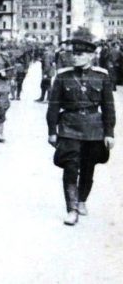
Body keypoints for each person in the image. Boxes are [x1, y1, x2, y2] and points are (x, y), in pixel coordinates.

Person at [46, 36, 115, 226]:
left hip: (94, 128)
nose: (74, 57)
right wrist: (52, 131)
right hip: (69, 127)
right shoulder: (63, 76)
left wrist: (109, 133)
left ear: (91, 56)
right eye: (73, 54)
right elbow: (53, 106)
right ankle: (72, 209)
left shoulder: (102, 76)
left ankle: (82, 199)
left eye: (80, 54)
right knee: (70, 167)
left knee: (88, 166)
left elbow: (108, 107)